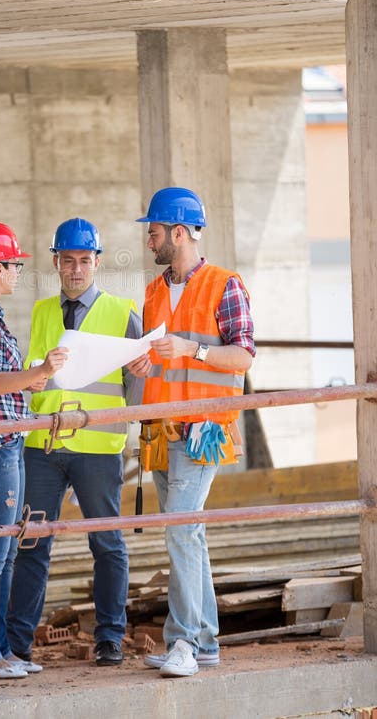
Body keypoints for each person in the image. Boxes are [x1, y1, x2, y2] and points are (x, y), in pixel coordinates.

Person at [7, 218, 147, 667]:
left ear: (97, 263)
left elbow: (138, 381)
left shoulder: (123, 312)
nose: (76, 269)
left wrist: (137, 434)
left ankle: (109, 637)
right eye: (67, 261)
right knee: (31, 543)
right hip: (43, 447)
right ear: (55, 263)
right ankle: (17, 643)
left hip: (97, 450)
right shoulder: (43, 310)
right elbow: (35, 369)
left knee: (107, 545)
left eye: (84, 261)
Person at [135, 187, 255, 678]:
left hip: (203, 429)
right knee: (190, 535)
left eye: (155, 231)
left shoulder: (226, 286)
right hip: (162, 431)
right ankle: (204, 642)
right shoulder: (153, 290)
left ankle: (183, 640)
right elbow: (161, 359)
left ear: (179, 233)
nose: (149, 239)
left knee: (182, 530)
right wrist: (144, 362)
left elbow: (244, 356)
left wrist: (192, 350)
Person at [0, 222, 67, 680]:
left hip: (7, 440)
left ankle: (0, 650)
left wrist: (33, 377)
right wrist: (36, 370)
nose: (19, 272)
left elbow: (6, 381)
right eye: (14, 265)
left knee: (4, 551)